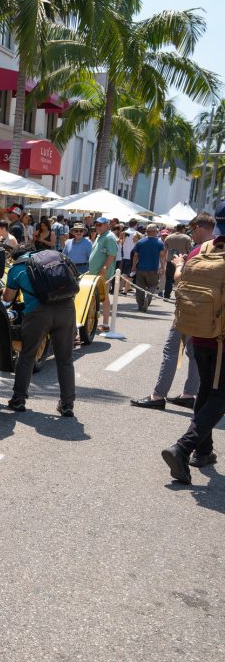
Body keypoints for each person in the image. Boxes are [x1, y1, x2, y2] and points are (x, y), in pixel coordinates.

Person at [161, 203, 225, 484]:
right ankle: (183, 447)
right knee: (220, 396)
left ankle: (204, 450)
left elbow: (181, 281)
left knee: (206, 391)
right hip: (223, 339)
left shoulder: (204, 250)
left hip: (199, 335)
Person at [131, 213, 213, 412]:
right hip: (208, 311)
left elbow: (180, 279)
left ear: (200, 228)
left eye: (194, 230)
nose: (193, 234)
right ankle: (189, 394)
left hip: (188, 309)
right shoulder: (218, 250)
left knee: (171, 351)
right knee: (194, 353)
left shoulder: (198, 250)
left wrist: (178, 265)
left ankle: (158, 395)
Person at [4, 244, 77, 416]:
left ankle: (18, 399)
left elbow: (8, 297)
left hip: (37, 315)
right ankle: (67, 404)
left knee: (27, 356)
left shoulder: (17, 268)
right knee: (65, 359)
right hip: (66, 309)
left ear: (15, 257)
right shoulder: (55, 257)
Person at [88, 216, 119, 332]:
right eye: (96, 225)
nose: (97, 227)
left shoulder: (109, 237)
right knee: (97, 298)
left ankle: (105, 325)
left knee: (104, 298)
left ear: (107, 225)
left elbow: (112, 254)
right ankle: (96, 323)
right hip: (95, 273)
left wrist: (104, 268)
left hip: (102, 274)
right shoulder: (100, 236)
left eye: (100, 225)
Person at [130, 223, 166, 311]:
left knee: (140, 287)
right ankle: (148, 297)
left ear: (147, 232)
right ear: (155, 232)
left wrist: (134, 266)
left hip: (141, 268)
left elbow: (135, 255)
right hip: (153, 269)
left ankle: (140, 304)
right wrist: (163, 267)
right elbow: (162, 256)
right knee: (153, 285)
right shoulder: (159, 242)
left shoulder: (140, 242)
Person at [163, 223, 193, 299]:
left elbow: (164, 251)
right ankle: (180, 295)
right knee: (181, 279)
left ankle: (166, 295)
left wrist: (163, 263)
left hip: (170, 260)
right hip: (181, 261)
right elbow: (189, 250)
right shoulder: (187, 238)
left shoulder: (168, 237)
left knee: (169, 279)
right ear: (183, 229)